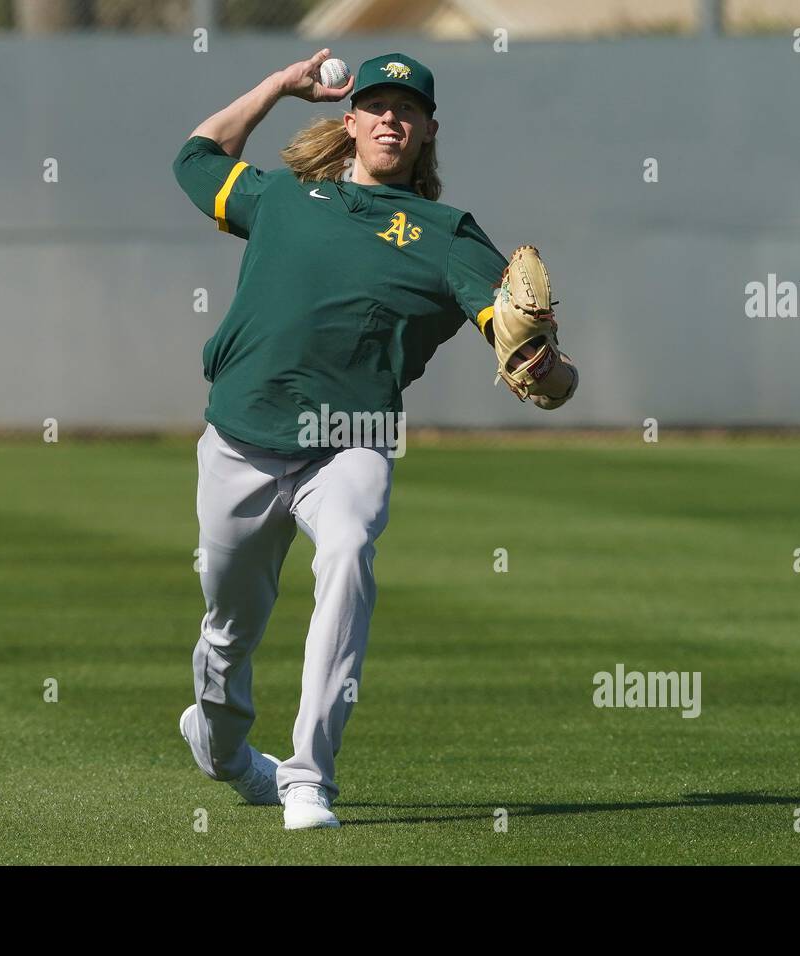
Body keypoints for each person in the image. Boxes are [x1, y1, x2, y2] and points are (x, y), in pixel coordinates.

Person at [171, 50, 577, 830]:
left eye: (408, 109)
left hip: (350, 442)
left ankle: (308, 777)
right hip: (241, 440)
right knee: (229, 629)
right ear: (349, 121)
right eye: (377, 104)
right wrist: (275, 88)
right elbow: (195, 159)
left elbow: (526, 349)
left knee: (350, 553)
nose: (391, 117)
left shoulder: (449, 237)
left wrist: (556, 375)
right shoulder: (285, 198)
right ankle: (223, 747)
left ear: (427, 131)